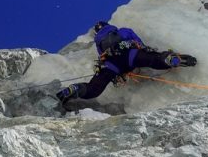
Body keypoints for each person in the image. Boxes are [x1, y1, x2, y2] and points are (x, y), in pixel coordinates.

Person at [56, 21, 196, 103]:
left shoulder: (99, 42)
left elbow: (102, 56)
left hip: (112, 65)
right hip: (130, 54)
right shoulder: (121, 31)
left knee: (94, 88)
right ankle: (169, 59)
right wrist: (144, 50)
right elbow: (138, 42)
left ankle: (76, 89)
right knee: (152, 59)